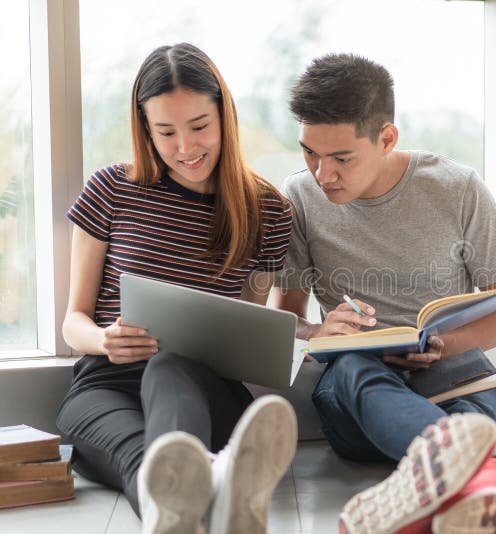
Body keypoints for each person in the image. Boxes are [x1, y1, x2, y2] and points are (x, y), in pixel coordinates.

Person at [272, 53, 496, 533]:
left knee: (472, 413)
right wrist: (320, 329)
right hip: (355, 392)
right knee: (353, 368)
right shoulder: (300, 197)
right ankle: (489, 476)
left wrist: (443, 347)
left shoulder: (457, 188)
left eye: (341, 158)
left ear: (387, 137)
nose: (322, 174)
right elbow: (287, 317)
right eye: (310, 153)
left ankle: (434, 502)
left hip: (455, 380)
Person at [56, 43, 297, 534]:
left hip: (207, 394)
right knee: (142, 462)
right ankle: (209, 499)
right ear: (145, 129)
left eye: (200, 127)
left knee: (170, 365)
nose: (186, 148)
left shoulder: (268, 210)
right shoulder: (110, 190)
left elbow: (248, 335)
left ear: (224, 115)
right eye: (165, 132)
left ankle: (197, 487)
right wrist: (104, 340)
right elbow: (73, 321)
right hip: (107, 387)